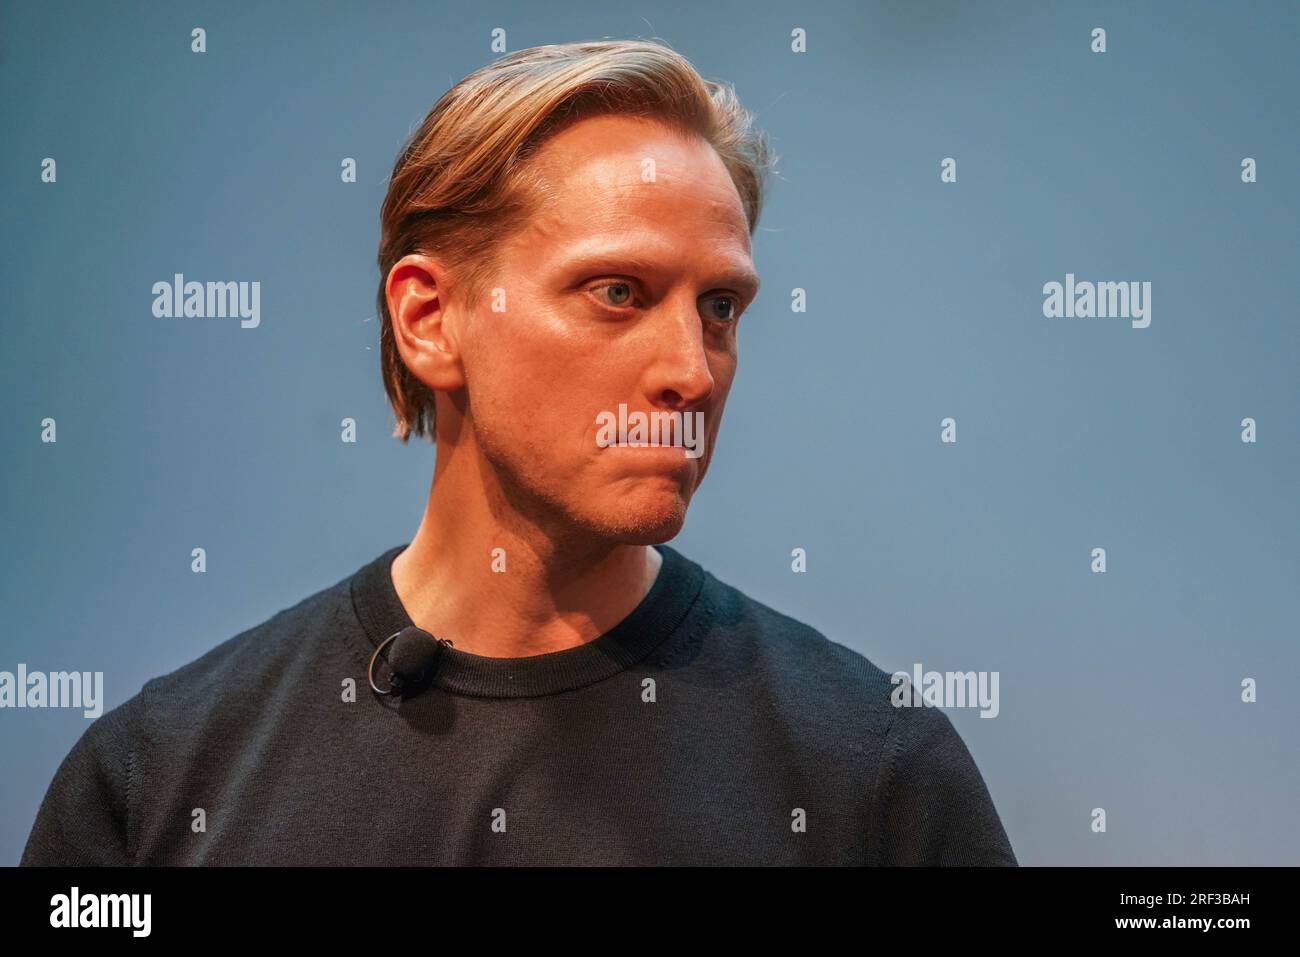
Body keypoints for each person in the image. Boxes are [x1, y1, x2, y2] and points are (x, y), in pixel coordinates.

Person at [21, 38, 1016, 866]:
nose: (691, 372)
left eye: (719, 308)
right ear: (430, 319)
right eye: (617, 292)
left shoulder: (871, 772)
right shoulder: (159, 781)